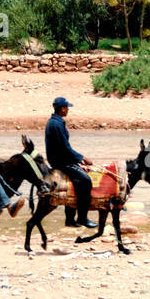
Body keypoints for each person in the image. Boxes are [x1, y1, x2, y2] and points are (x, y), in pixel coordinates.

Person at [45, 96, 96, 228]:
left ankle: (69, 219)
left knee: (76, 181)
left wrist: (77, 159)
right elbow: (65, 148)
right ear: (62, 109)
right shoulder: (56, 124)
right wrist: (82, 158)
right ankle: (82, 218)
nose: (68, 110)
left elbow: (64, 148)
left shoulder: (55, 122)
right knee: (85, 180)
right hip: (61, 162)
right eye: (67, 108)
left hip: (61, 159)